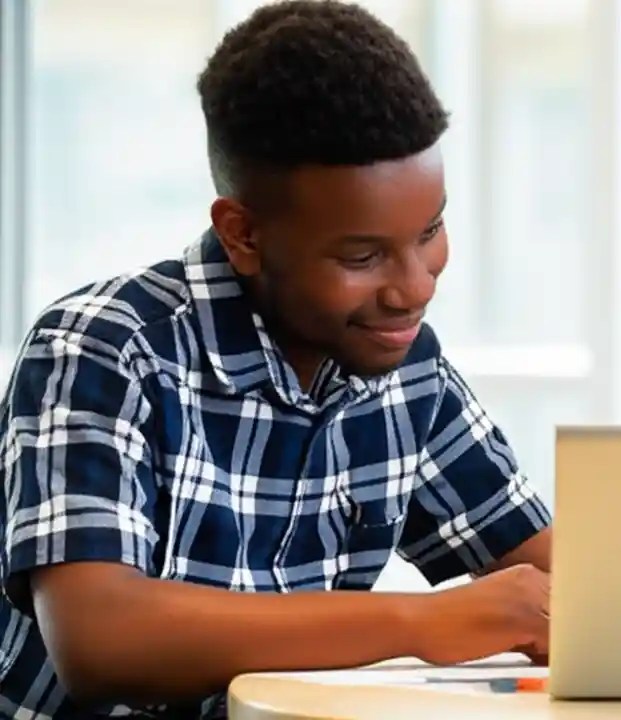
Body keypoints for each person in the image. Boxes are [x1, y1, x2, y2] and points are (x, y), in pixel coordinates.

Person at [0, 2, 552, 717]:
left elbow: (557, 575)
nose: (415, 286)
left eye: (431, 230)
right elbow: (101, 640)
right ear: (243, 235)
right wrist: (424, 623)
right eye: (362, 255)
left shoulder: (406, 367)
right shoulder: (104, 349)